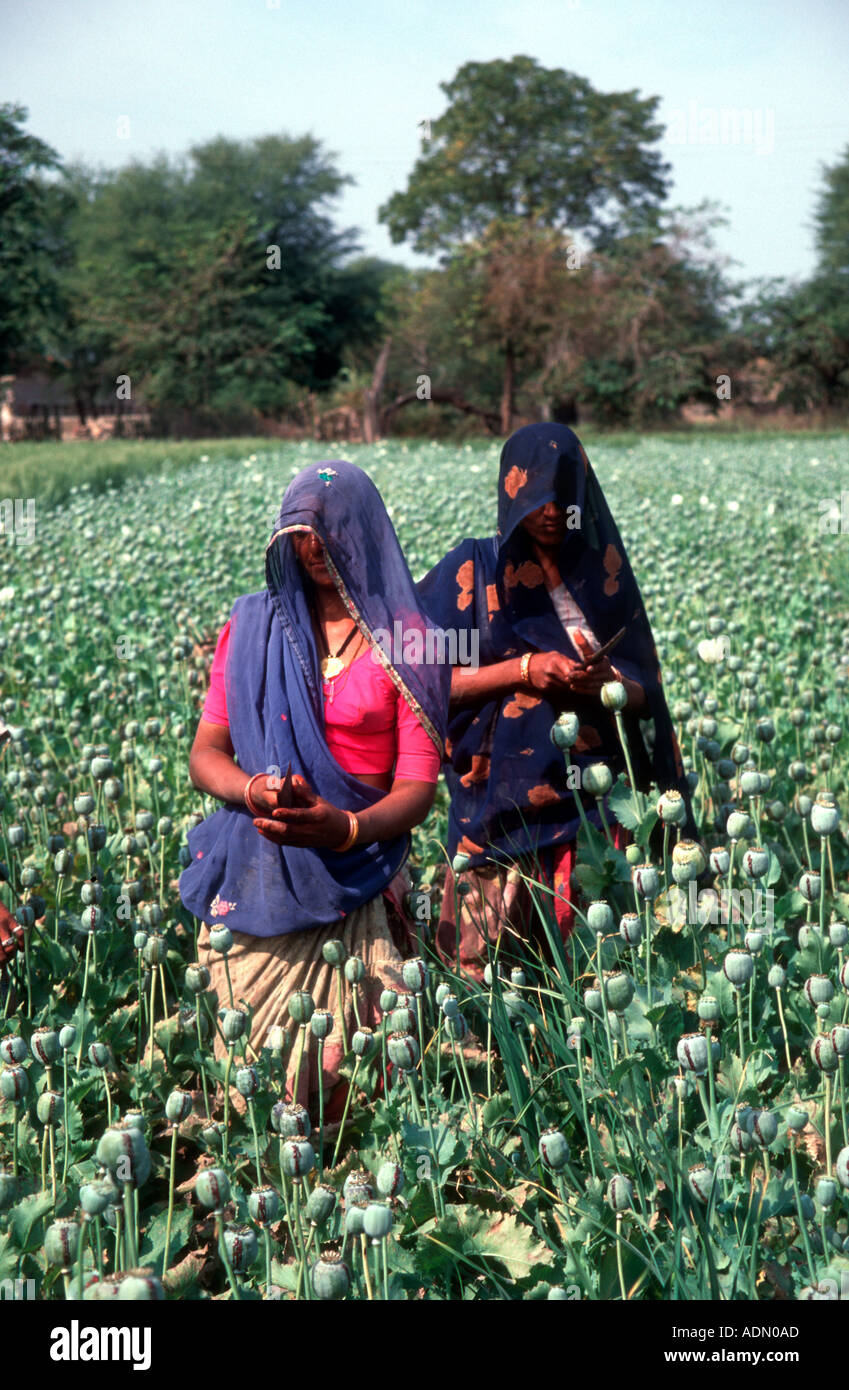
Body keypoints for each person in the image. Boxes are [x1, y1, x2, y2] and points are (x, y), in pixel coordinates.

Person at [179, 460, 449, 1118]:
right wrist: (253, 792)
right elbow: (205, 754)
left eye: (331, 531)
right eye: (300, 533)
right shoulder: (251, 628)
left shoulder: (410, 641)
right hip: (261, 862)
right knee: (254, 1072)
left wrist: (346, 829)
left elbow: (417, 787)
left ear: (367, 535)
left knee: (355, 1075)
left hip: (359, 867)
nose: (315, 548)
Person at [416, 422, 695, 978]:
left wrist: (608, 684)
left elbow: (647, 696)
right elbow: (426, 687)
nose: (549, 509)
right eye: (536, 493)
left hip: (593, 814)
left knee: (598, 983)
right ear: (510, 489)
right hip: (495, 817)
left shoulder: (604, 580)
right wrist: (524, 671)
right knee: (484, 990)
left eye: (562, 495)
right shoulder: (468, 572)